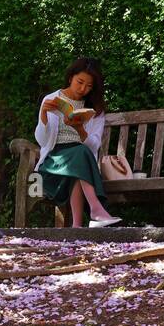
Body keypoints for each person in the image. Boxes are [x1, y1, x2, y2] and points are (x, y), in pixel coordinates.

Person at [35, 57, 121, 227]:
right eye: (80, 82)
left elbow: (94, 146)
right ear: (70, 78)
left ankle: (77, 226)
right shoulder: (51, 100)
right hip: (54, 162)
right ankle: (96, 209)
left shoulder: (95, 109)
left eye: (89, 86)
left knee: (79, 158)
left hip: (78, 161)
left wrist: (80, 129)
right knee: (79, 155)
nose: (83, 89)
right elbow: (42, 141)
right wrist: (44, 116)